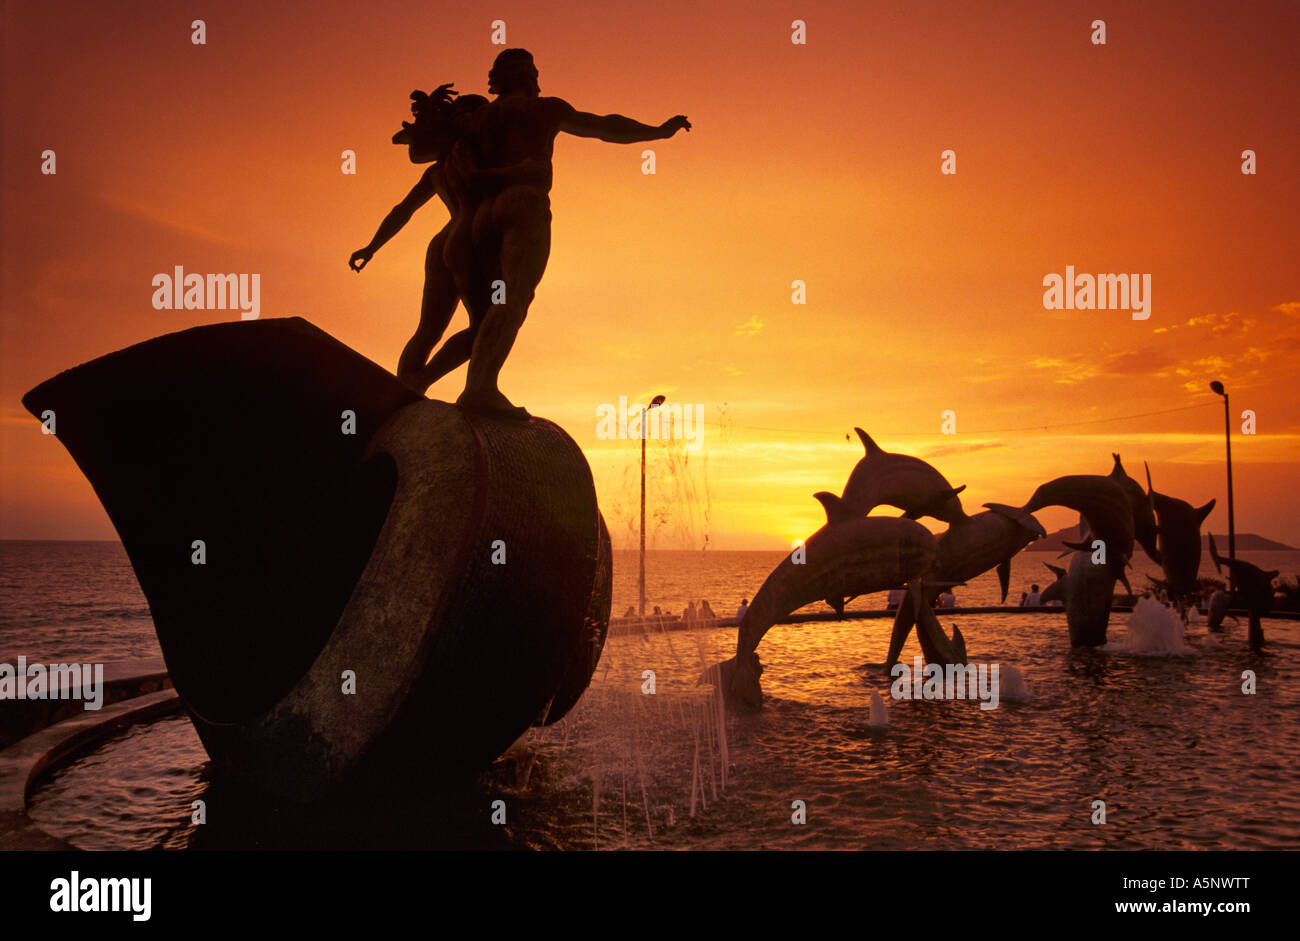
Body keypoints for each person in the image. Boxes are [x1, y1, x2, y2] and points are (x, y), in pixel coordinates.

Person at [437, 49, 691, 417]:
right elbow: (605, 126)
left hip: (480, 218)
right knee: (514, 298)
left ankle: (425, 379)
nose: (537, 78)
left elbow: (432, 150)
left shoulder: (475, 120)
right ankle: (479, 387)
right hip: (522, 204)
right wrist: (658, 132)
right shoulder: (544, 110)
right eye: (533, 71)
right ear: (526, 76)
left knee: (492, 306)